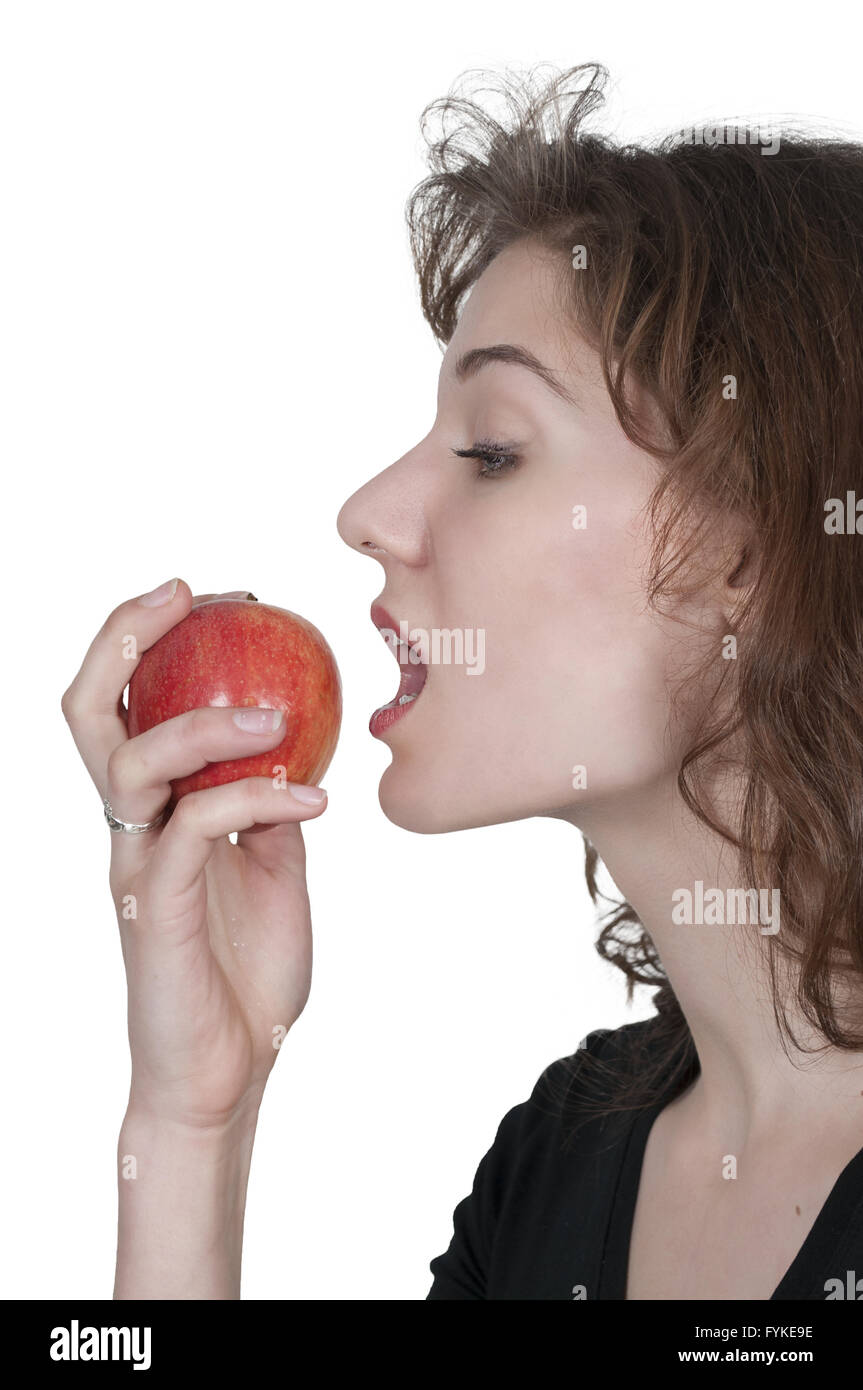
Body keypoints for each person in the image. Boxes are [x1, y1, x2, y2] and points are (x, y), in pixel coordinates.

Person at [61, 63, 863, 1301]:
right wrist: (192, 1125)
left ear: (749, 554)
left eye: (492, 450)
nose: (367, 513)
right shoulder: (556, 1166)